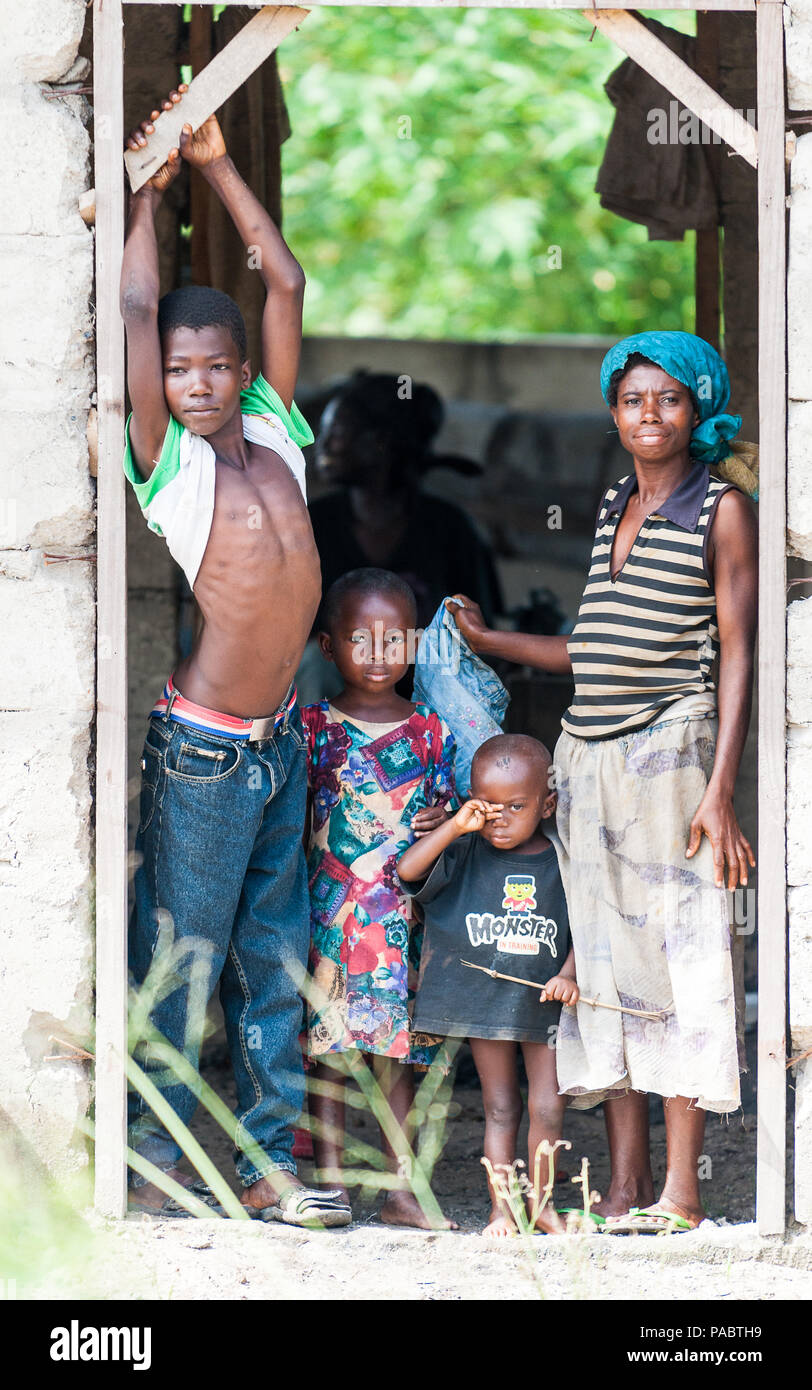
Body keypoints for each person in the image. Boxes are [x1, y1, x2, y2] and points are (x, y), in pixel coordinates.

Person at [446, 331, 757, 1234]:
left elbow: (738, 655)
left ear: (700, 409)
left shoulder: (722, 510)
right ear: (613, 411)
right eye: (632, 400)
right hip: (587, 757)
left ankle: (682, 1193)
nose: (648, 416)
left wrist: (718, 787)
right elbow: (589, 650)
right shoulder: (616, 499)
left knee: (681, 960)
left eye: (668, 399)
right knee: (606, 966)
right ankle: (623, 1188)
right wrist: (493, 640)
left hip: (671, 760)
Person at [121, 87, 351, 1228]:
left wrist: (214, 165)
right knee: (183, 963)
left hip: (280, 743)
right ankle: (159, 1166)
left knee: (277, 964)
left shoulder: (270, 430)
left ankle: (263, 1168)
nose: (199, 383)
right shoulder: (168, 463)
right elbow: (134, 305)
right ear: (156, 385)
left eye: (214, 366)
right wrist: (147, 194)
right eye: (179, 371)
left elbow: (288, 281)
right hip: (206, 753)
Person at [300, 568, 459, 1227]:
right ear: (327, 647)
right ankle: (330, 1183)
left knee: (401, 1061)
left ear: (416, 645)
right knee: (329, 1056)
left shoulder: (432, 733)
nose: (378, 653)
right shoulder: (310, 728)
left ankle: (402, 1190)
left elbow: (451, 808)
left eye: (395, 639)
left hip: (401, 926)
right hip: (328, 922)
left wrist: (442, 815)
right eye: (359, 639)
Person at [398, 734, 578, 1237]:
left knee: (548, 1104)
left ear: (548, 803)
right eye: (488, 805)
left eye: (516, 806)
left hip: (543, 1007)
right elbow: (408, 871)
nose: (499, 818)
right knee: (500, 1107)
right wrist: (457, 825)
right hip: (484, 1005)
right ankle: (503, 1208)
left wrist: (568, 974)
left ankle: (541, 1204)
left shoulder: (563, 861)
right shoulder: (466, 850)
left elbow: (587, 925)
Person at [296, 372, 504, 705]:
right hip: (332, 703)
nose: (322, 445)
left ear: (378, 443)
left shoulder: (449, 529)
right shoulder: (310, 523)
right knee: (312, 664)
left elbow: (483, 639)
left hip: (424, 706)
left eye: (336, 434)